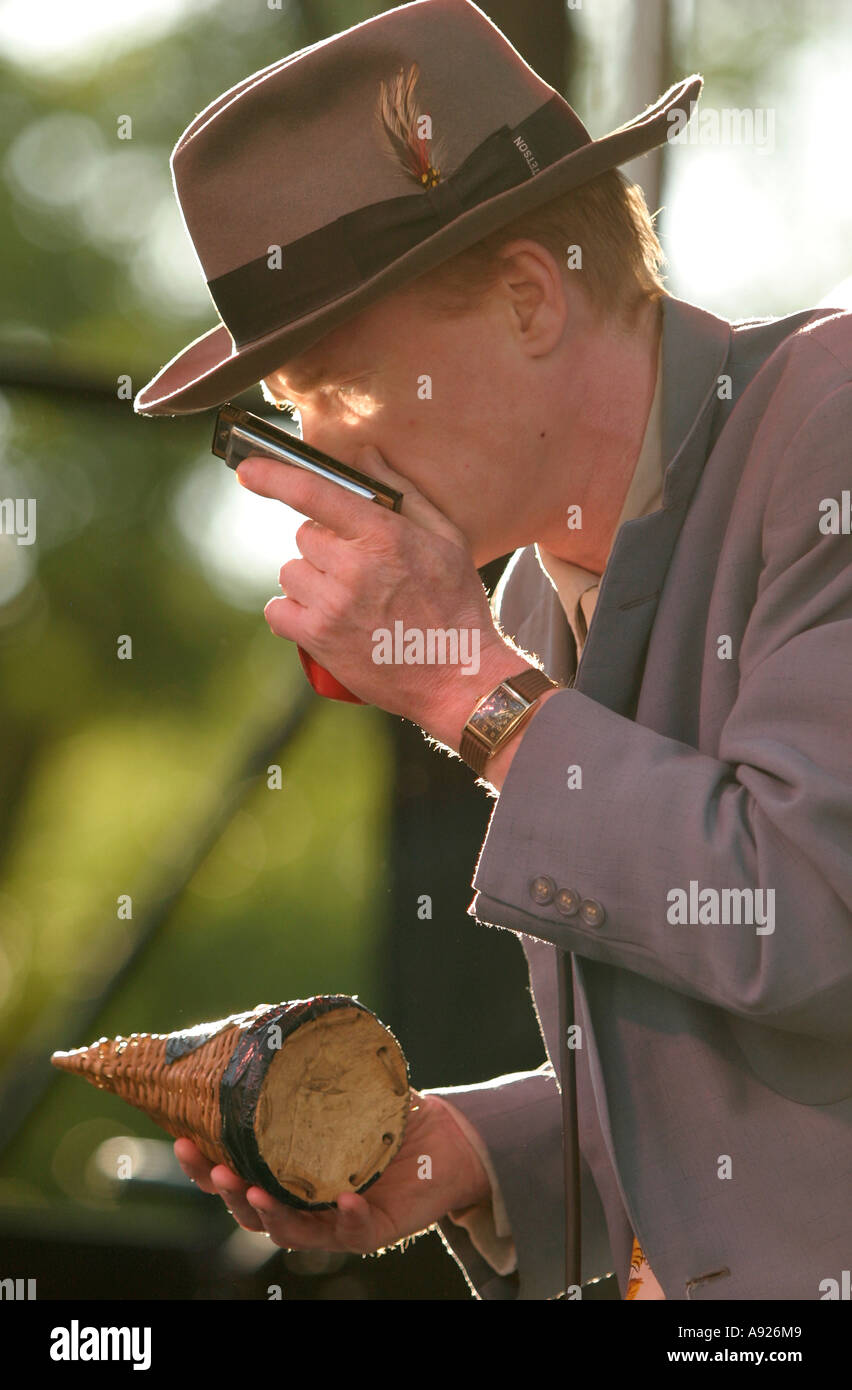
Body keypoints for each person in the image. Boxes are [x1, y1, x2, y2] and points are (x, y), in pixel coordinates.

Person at [136, 0, 852, 1300]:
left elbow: (812, 918)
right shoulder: (527, 606)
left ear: (528, 297)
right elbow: (734, 1079)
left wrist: (477, 697)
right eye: (294, 414)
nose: (325, 454)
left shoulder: (832, 426)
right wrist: (467, 1149)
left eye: (334, 387)